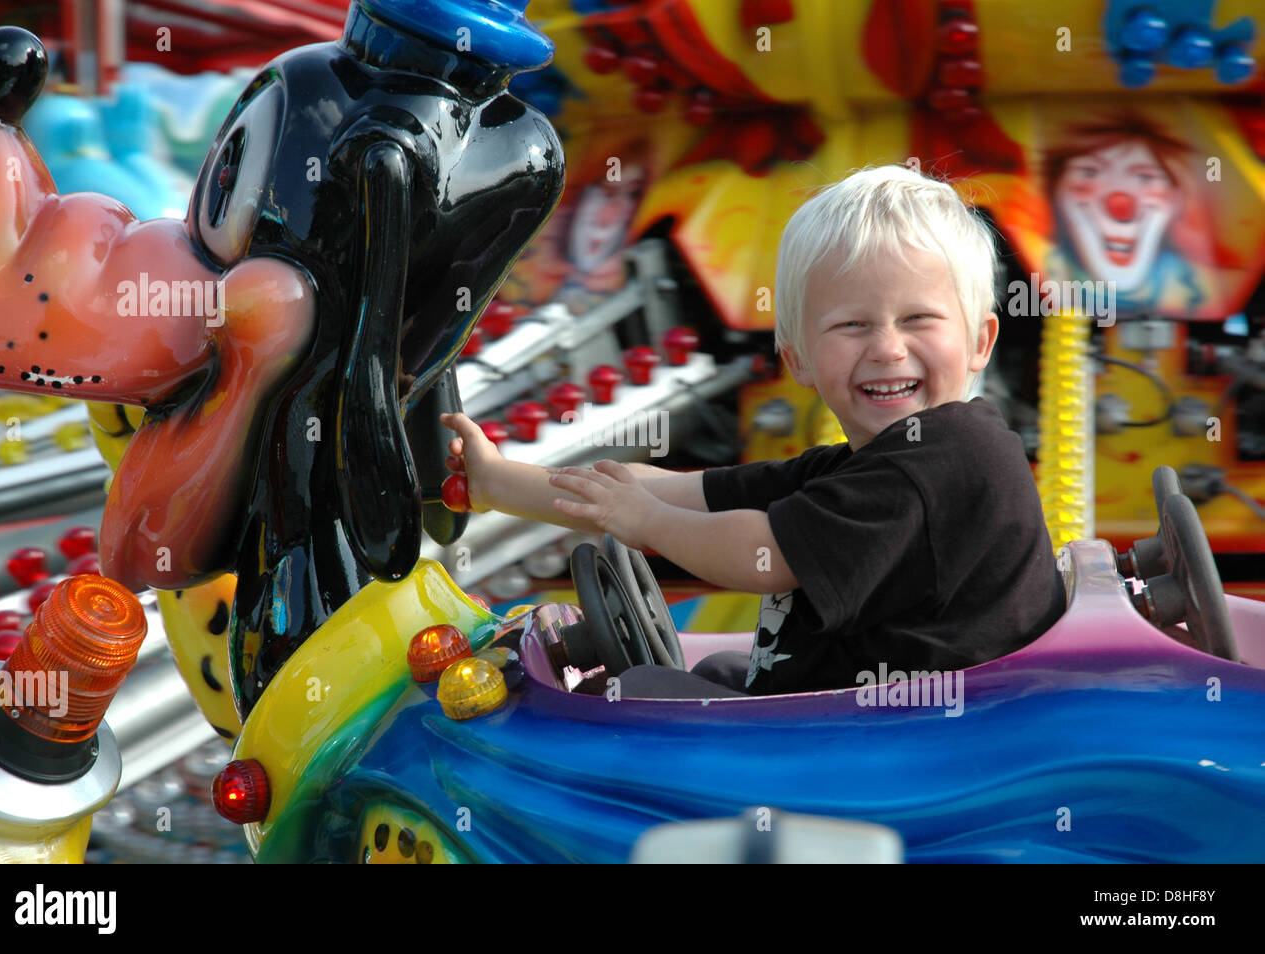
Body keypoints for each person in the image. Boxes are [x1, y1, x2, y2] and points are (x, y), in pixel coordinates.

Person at [440, 164, 1065, 698]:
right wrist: (500, 483)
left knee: (639, 694)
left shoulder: (946, 460)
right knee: (713, 670)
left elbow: (762, 557)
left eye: (918, 319)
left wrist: (642, 523)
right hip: (859, 724)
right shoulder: (861, 467)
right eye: (852, 326)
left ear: (981, 340)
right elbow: (666, 488)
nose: (888, 349)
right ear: (798, 360)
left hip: (908, 752)